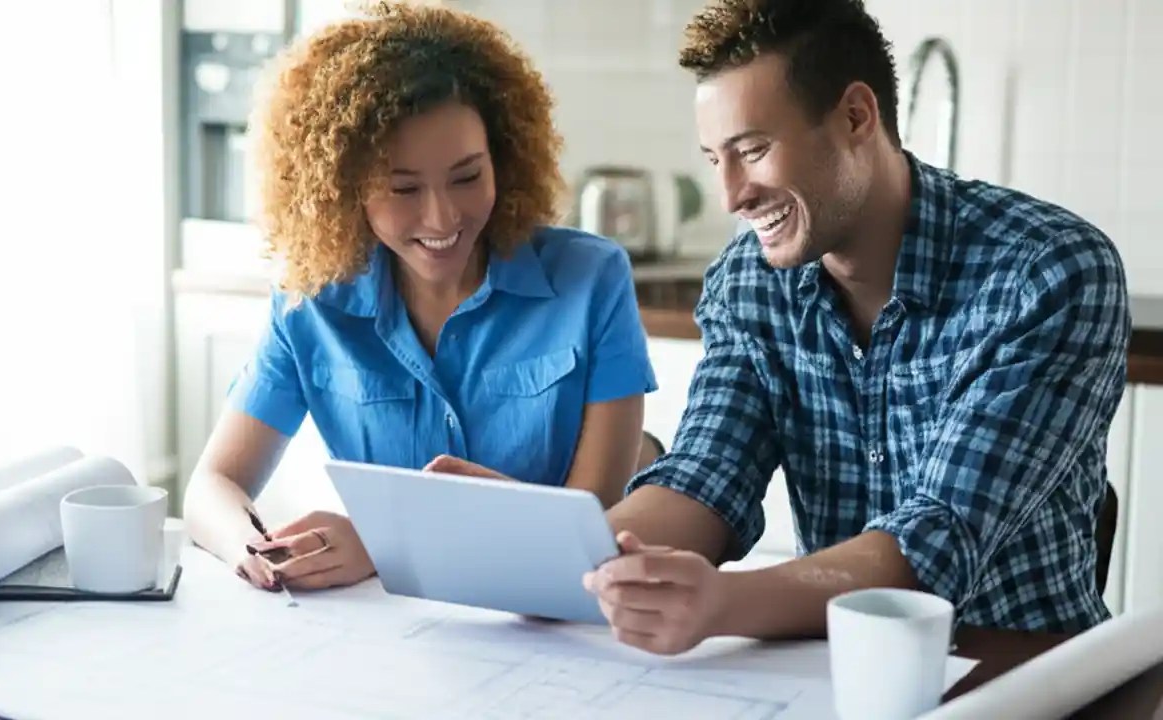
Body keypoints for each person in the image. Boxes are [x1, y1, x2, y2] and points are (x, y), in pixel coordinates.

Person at [572, 0, 1130, 655]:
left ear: (856, 117)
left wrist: (723, 602)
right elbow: (703, 478)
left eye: (752, 150)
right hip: (841, 671)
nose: (731, 196)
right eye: (714, 159)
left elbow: (937, 540)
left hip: (1023, 671)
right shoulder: (750, 281)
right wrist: (571, 554)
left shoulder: (1047, 272)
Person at [183, 2, 658, 595]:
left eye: (467, 177)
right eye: (403, 188)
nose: (443, 217)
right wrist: (256, 550)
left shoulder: (591, 279)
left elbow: (585, 529)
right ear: (343, 188)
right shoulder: (311, 304)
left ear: (504, 159)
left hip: (552, 623)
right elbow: (211, 487)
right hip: (390, 638)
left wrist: (387, 543)